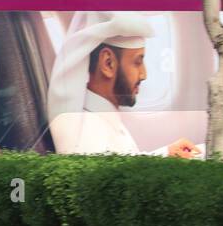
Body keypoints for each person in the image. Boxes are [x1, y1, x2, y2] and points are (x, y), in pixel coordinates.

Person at [47, 13, 200, 157]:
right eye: (137, 62)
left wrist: (167, 154)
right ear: (108, 63)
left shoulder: (102, 117)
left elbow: (123, 165)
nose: (143, 74)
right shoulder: (90, 135)